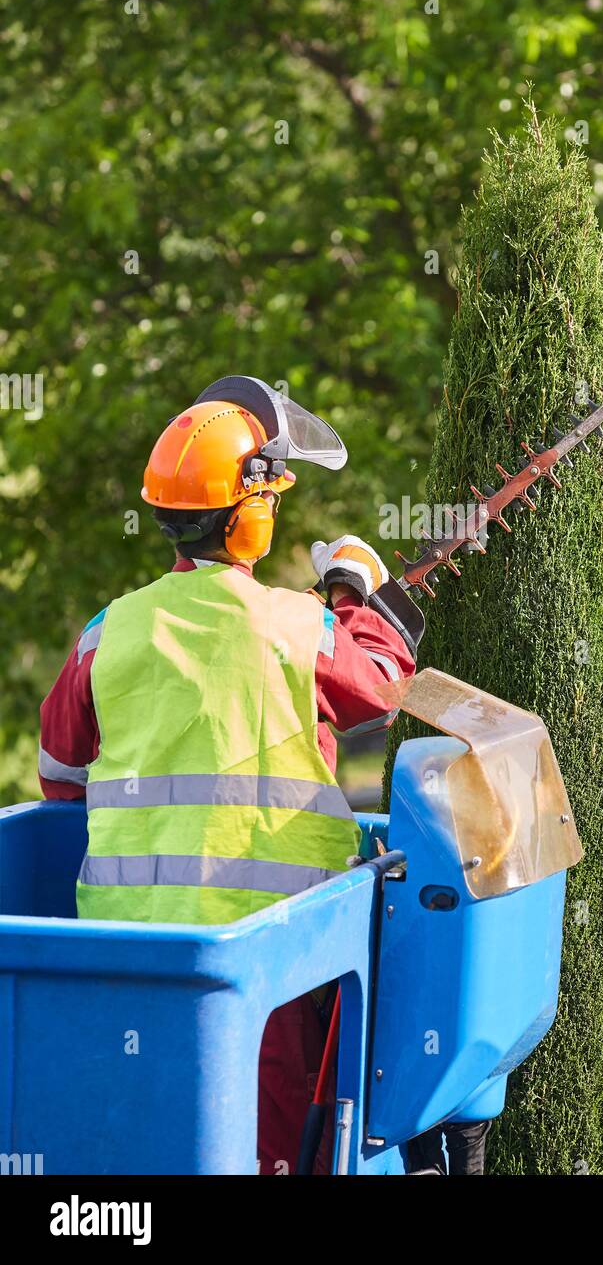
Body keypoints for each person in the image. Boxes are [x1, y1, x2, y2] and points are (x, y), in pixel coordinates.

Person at [37, 375, 421, 1174]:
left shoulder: (106, 632)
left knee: (141, 1149)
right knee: (265, 1152)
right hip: (270, 957)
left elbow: (60, 774)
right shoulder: (295, 623)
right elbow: (383, 686)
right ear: (251, 515)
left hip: (123, 955)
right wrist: (355, 595)